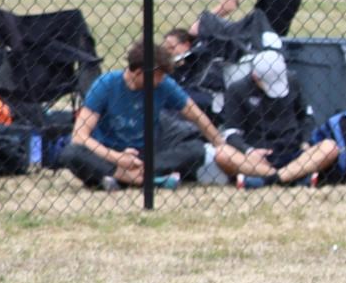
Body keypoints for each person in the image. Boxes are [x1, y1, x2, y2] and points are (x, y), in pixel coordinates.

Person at [63, 40, 225, 190]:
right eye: (158, 76)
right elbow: (79, 135)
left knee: (196, 149)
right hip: (108, 154)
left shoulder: (164, 85)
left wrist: (220, 145)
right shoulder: (106, 84)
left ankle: (123, 177)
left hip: (148, 156)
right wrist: (117, 158)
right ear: (139, 72)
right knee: (72, 153)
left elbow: (196, 115)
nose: (161, 80)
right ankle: (135, 177)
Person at [213, 48, 340, 188]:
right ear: (255, 77)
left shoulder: (292, 81)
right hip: (258, 158)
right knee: (222, 153)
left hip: (294, 153)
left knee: (330, 147)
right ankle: (293, 176)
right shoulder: (237, 90)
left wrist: (305, 141)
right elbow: (231, 132)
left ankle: (270, 179)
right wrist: (249, 151)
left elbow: (306, 117)